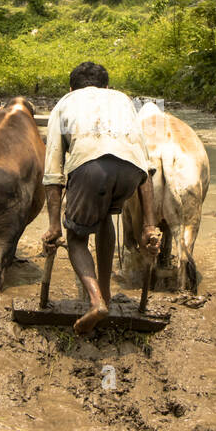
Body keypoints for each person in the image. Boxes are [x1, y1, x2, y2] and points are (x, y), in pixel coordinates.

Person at [41, 62, 162, 334]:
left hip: (90, 168)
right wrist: (149, 226)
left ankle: (96, 302)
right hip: (130, 172)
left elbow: (52, 172)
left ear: (71, 88)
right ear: (106, 87)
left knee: (76, 236)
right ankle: (106, 293)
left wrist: (53, 226)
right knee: (106, 216)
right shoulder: (122, 100)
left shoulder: (65, 103)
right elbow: (146, 168)